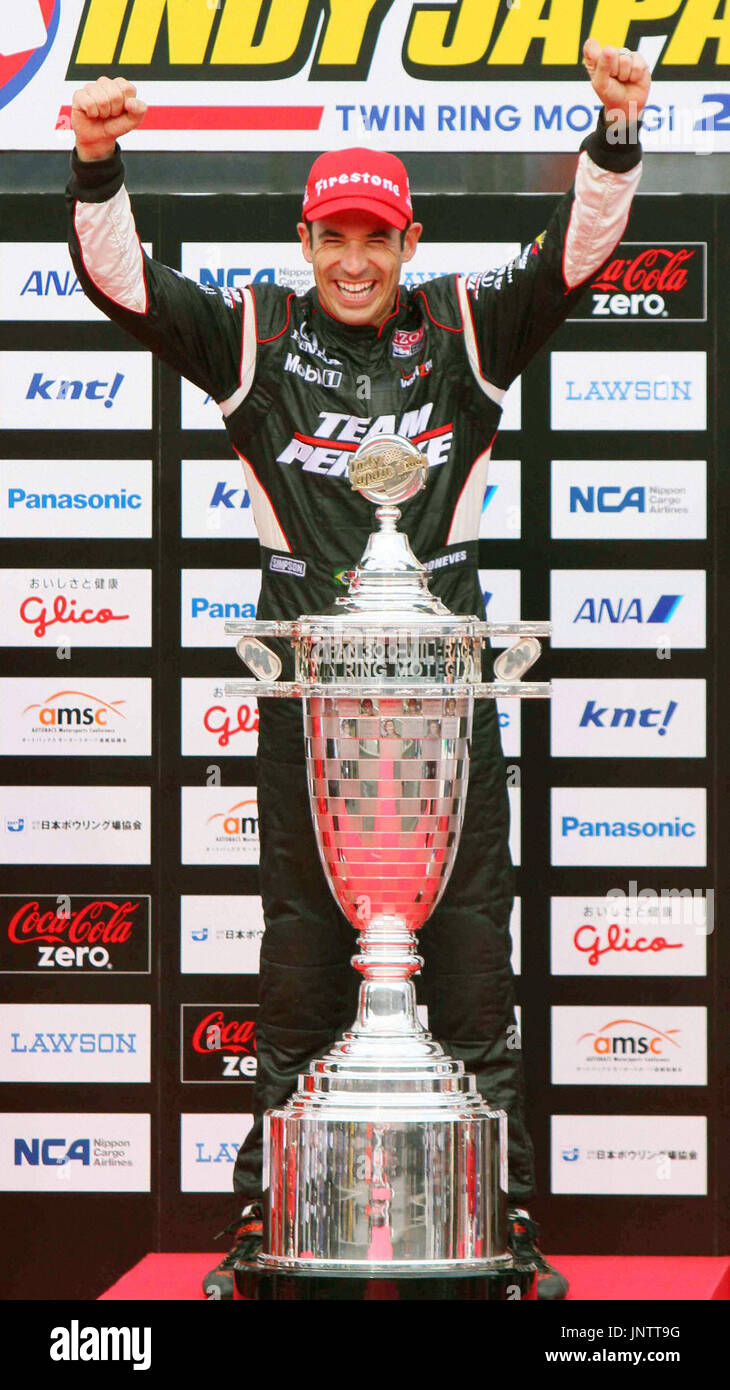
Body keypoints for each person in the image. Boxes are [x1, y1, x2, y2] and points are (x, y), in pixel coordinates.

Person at [66, 40, 650, 1301]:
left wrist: (611, 137)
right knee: (298, 964)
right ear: (303, 237)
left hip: (441, 721)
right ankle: (265, 1221)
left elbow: (578, 259)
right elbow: (127, 290)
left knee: (477, 959)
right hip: (312, 714)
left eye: (374, 237)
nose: (352, 259)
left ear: (408, 240)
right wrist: (99, 159)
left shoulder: (463, 332)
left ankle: (498, 1218)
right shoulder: (257, 338)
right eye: (333, 234)